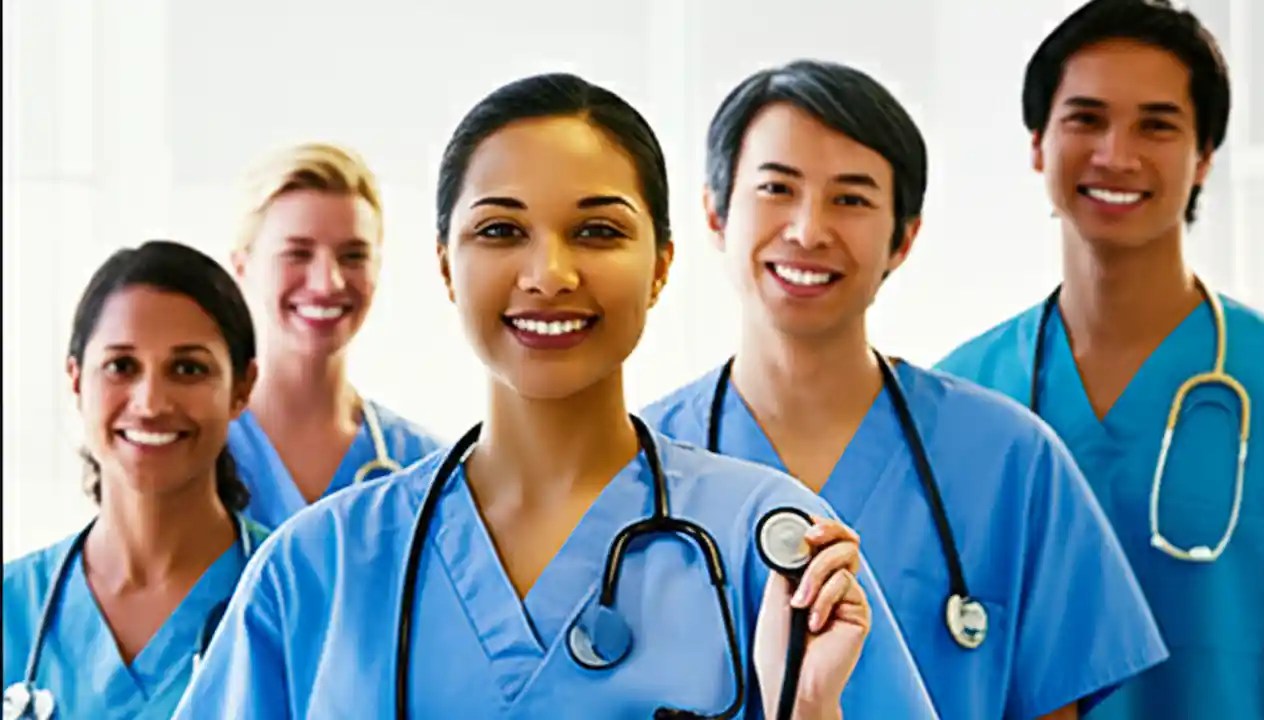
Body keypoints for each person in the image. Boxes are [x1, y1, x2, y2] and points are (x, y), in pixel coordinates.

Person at [172, 73, 938, 719]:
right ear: (445, 265)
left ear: (662, 264)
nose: (549, 275)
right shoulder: (316, 569)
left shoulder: (770, 548)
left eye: (599, 232)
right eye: (502, 232)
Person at [641, 59, 1168, 719]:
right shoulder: (640, 474)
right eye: (777, 188)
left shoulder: (1012, 462)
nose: (808, 230)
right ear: (715, 214)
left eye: (852, 198)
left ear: (904, 237)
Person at [936, 2, 1264, 718]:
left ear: (1204, 156)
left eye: (1157, 125)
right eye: (1085, 119)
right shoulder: (959, 396)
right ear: (1037, 143)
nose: (1116, 155)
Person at [2, 240, 271, 719]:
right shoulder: (12, 608)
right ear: (76, 380)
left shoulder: (293, 595)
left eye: (188, 369)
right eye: (121, 367)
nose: (150, 403)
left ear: (242, 388)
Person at [226, 142, 442, 530]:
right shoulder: (195, 452)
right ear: (243, 267)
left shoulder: (420, 469)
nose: (327, 283)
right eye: (298, 253)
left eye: (353, 255)